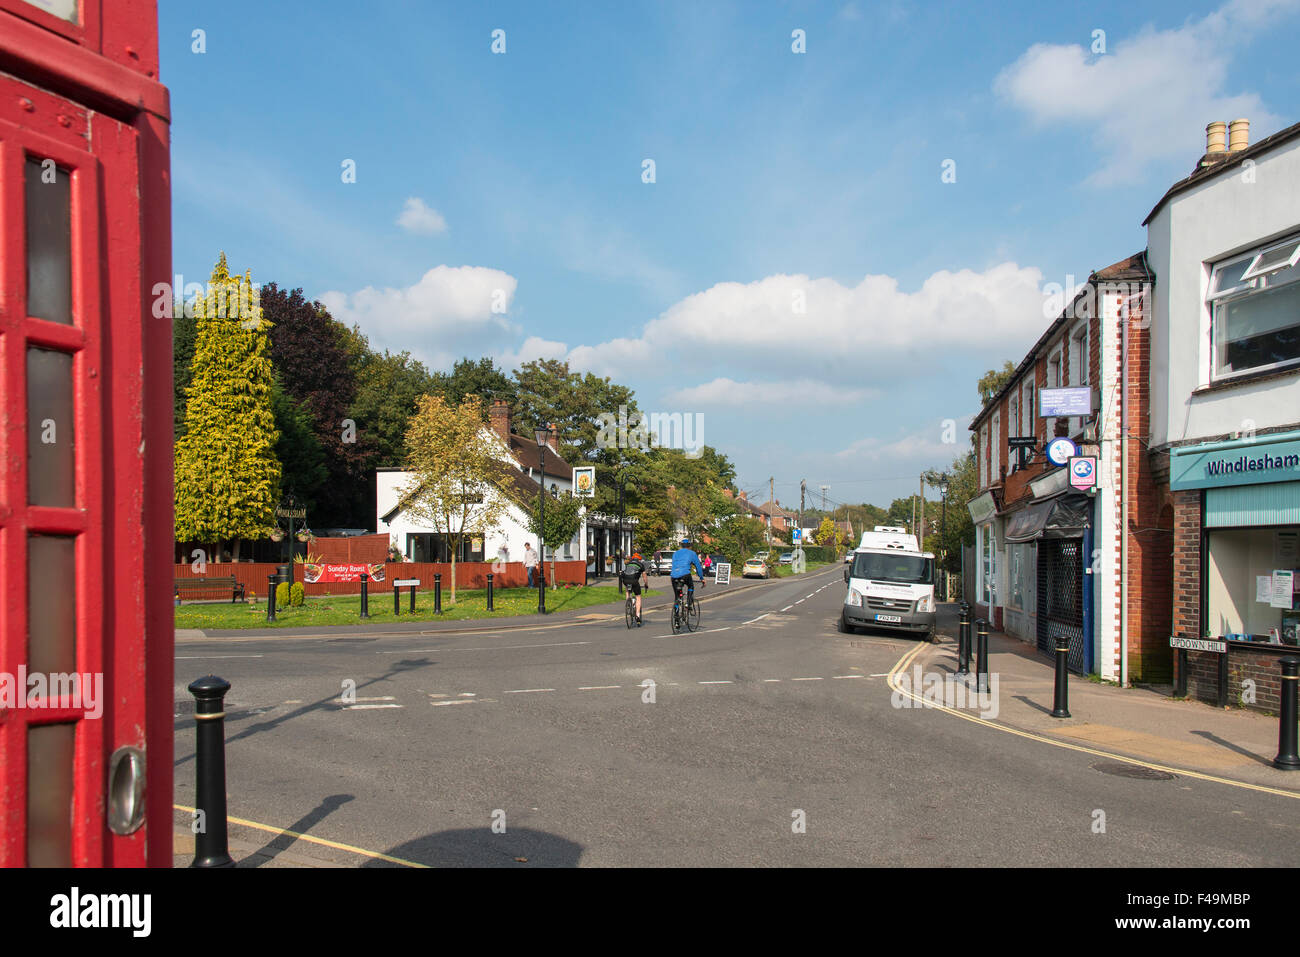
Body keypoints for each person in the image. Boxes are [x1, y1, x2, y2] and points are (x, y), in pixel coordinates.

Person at [669, 538, 704, 610]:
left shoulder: (675, 553)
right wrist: (701, 578)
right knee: (691, 587)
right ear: (689, 546)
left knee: (677, 596)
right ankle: (688, 603)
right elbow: (698, 566)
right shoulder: (692, 553)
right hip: (685, 574)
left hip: (674, 575)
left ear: (681, 545)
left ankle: (676, 616)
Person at [619, 551, 649, 625]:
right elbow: (644, 576)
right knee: (638, 596)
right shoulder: (641, 565)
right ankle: (637, 615)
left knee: (627, 590)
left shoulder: (628, 564)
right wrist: (646, 584)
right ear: (639, 559)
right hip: (634, 581)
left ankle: (628, 603)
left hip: (625, 580)